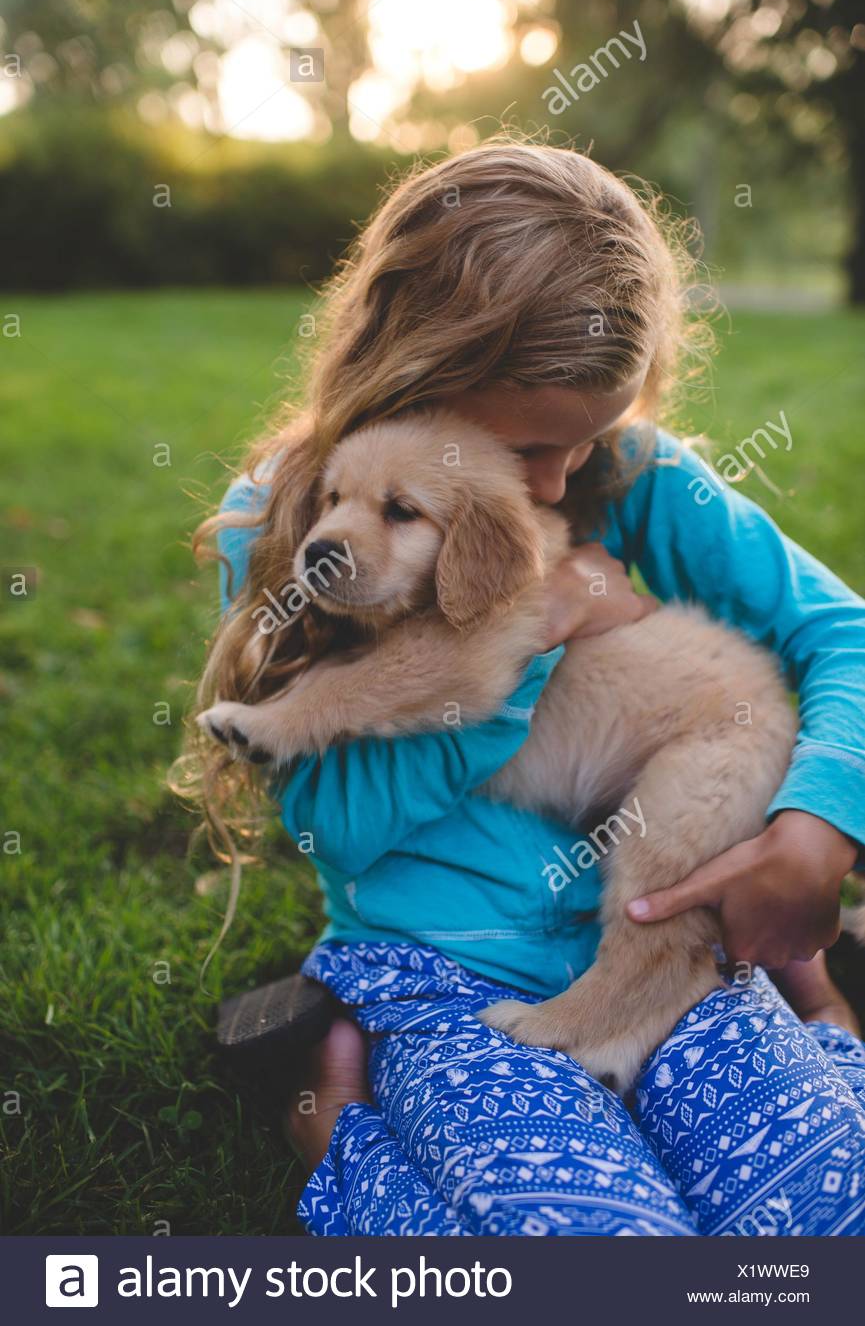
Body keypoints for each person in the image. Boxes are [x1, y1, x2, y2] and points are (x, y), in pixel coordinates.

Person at [188, 140, 865, 1235]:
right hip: (440, 980)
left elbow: (841, 635)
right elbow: (340, 831)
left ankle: (819, 1021)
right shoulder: (306, 522)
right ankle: (336, 1129)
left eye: (584, 439)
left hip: (672, 954)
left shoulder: (622, 469)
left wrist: (818, 821)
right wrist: (525, 642)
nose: (560, 481)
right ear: (409, 375)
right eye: (527, 446)